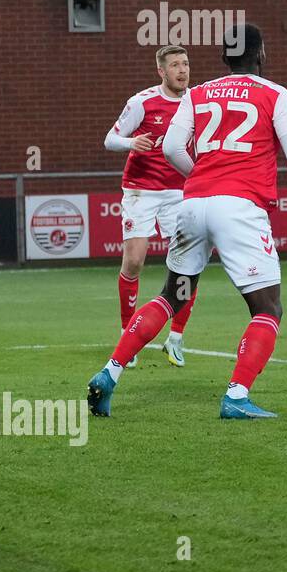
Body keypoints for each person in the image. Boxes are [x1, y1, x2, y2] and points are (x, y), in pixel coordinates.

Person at [87, 24, 287, 419]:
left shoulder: (198, 93)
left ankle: (109, 373)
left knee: (173, 294)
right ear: (262, 54)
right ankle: (236, 397)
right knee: (267, 308)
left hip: (192, 202)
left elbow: (170, 147)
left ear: (224, 57)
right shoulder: (276, 94)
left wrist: (200, 177)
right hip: (239, 207)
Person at [103, 45, 198, 367]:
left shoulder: (197, 101)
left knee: (187, 263)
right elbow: (110, 139)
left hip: (179, 191)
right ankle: (126, 333)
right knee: (135, 261)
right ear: (161, 71)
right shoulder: (142, 102)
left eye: (185, 64)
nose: (182, 70)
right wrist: (132, 142)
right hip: (141, 190)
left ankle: (176, 338)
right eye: (175, 65)